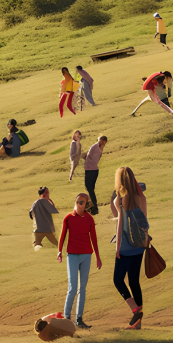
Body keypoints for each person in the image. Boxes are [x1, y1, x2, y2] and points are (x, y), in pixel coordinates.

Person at [110, 166, 149, 329]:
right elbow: (145, 221)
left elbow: (120, 225)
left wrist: (118, 247)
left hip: (125, 246)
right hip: (139, 245)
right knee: (134, 280)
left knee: (118, 280)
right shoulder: (141, 197)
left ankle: (136, 311)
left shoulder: (122, 199)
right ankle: (137, 324)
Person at [57, 192, 102, 328]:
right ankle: (66, 318)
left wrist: (98, 257)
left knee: (82, 288)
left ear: (86, 205)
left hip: (86, 255)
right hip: (72, 255)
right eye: (77, 202)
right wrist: (59, 251)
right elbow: (63, 235)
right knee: (72, 287)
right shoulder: (68, 218)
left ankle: (79, 319)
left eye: (82, 202)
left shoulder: (89, 219)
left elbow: (93, 238)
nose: (79, 204)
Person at [83, 135, 107, 215]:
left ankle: (94, 206)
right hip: (95, 170)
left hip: (90, 170)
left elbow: (88, 155)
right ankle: (92, 206)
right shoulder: (100, 149)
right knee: (91, 189)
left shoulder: (95, 146)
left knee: (88, 188)